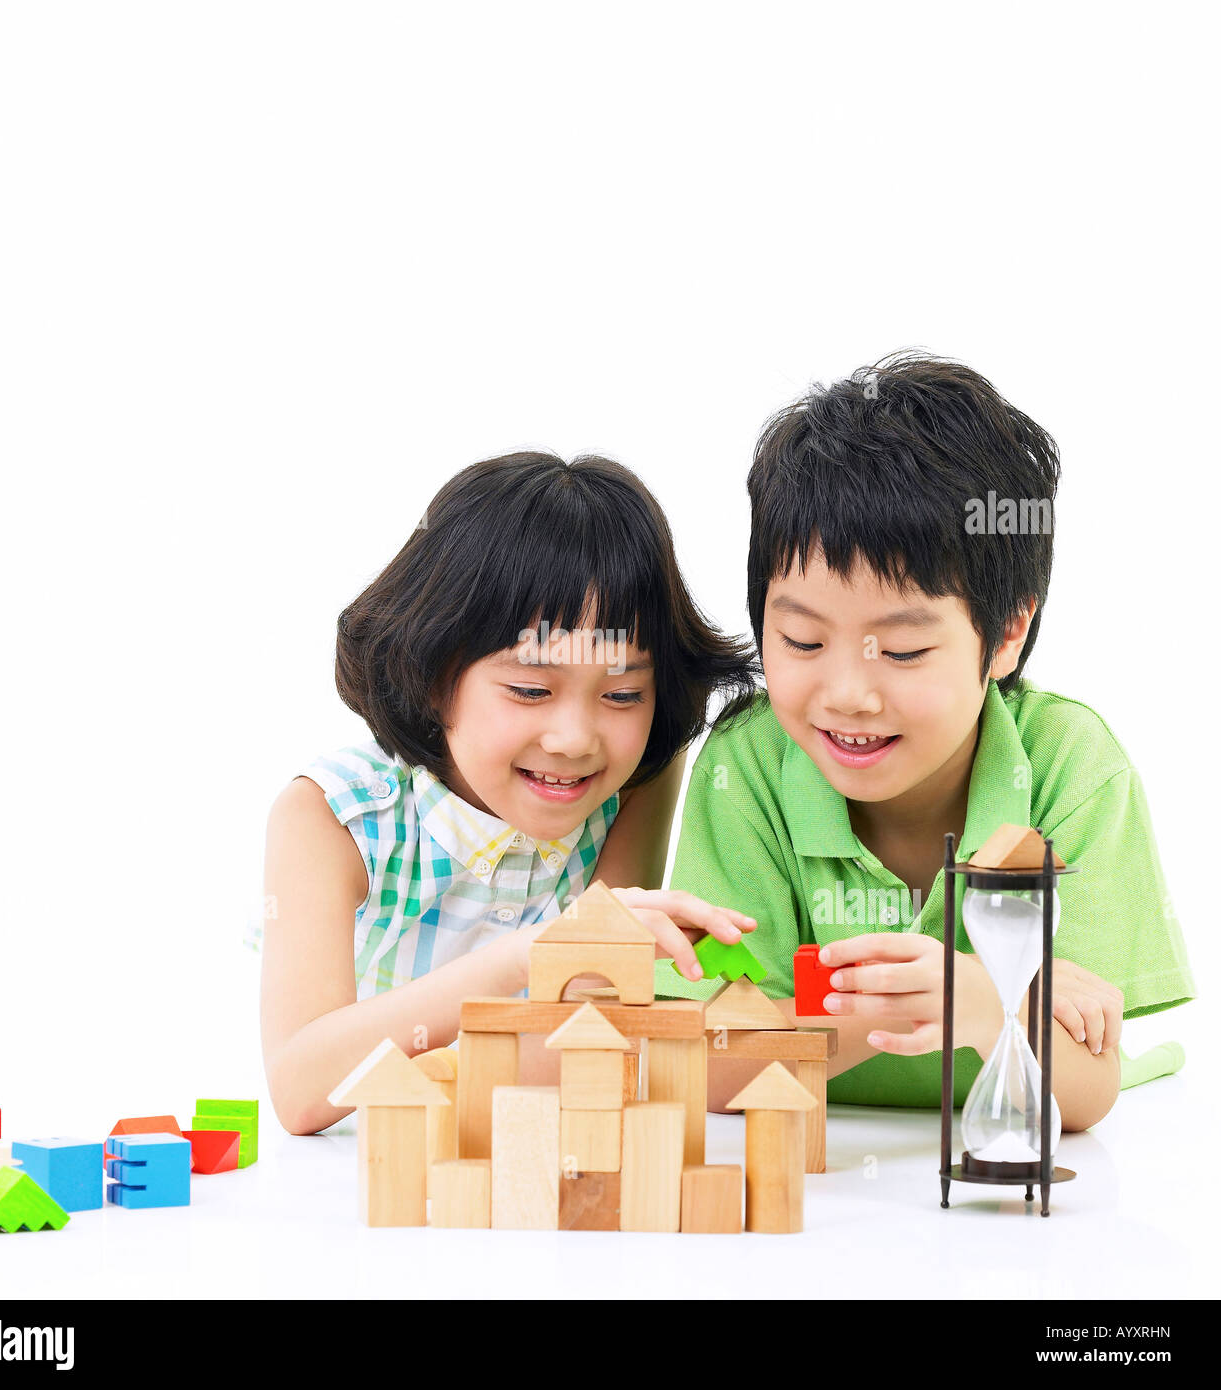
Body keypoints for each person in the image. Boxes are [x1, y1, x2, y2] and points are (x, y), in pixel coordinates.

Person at [661, 353, 1195, 1127]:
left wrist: (971, 1001)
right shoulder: (744, 769)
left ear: (1007, 632)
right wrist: (968, 995)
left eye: (904, 651)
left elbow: (1086, 1085)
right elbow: (713, 1060)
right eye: (803, 642)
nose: (848, 693)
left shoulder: (1073, 766)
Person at [261, 451, 757, 1135]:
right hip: (367, 1182)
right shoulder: (333, 816)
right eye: (530, 689)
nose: (574, 739)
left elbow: (593, 1018)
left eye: (621, 694)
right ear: (433, 673)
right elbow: (300, 1090)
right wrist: (530, 955)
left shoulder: (634, 783)